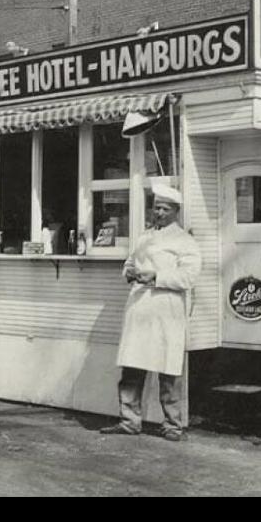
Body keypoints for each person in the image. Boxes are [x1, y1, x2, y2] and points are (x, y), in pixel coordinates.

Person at [100, 184, 202, 441]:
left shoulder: (184, 241)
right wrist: (130, 272)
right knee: (133, 365)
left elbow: (188, 277)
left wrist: (156, 276)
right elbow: (129, 262)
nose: (158, 212)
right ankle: (129, 420)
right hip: (140, 306)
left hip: (166, 308)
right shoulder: (144, 236)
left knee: (168, 369)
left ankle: (172, 425)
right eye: (156, 207)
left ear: (176, 211)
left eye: (165, 208)